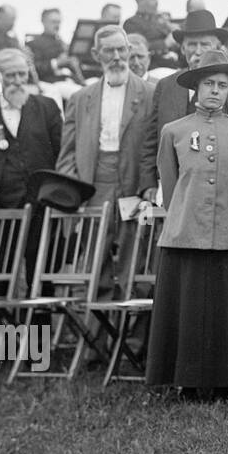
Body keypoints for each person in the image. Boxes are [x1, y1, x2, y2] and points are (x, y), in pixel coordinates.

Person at [146, 51, 228, 394]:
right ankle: (188, 380)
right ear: (196, 88)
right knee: (189, 307)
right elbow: (170, 186)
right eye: (208, 83)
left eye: (222, 85)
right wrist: (188, 212)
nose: (215, 90)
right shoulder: (174, 131)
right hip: (186, 232)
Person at [56, 26, 156, 293]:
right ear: (95, 54)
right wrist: (74, 191)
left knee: (135, 259)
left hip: (135, 183)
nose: (117, 57)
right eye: (109, 51)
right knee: (94, 256)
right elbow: (66, 155)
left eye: (121, 49)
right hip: (95, 183)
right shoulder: (80, 99)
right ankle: (96, 331)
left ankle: (132, 332)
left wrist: (150, 187)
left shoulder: (150, 94)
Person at [0, 48, 63, 287]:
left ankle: (41, 324)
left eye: (22, 74)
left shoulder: (46, 107)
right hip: (0, 208)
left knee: (41, 279)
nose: (17, 82)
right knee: (1, 278)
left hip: (41, 205)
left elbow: (61, 153)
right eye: (10, 76)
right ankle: (3, 323)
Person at [139, 11, 228, 201]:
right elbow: (151, 140)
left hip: (222, 191)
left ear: (217, 47)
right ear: (183, 48)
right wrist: (148, 184)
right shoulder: (166, 85)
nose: (198, 51)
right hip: (174, 190)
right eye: (192, 44)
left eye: (205, 44)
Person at [123, 0, 177, 68]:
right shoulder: (131, 23)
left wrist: (173, 29)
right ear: (140, 1)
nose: (157, 3)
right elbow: (138, 47)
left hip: (173, 64)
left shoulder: (161, 21)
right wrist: (165, 43)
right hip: (153, 67)